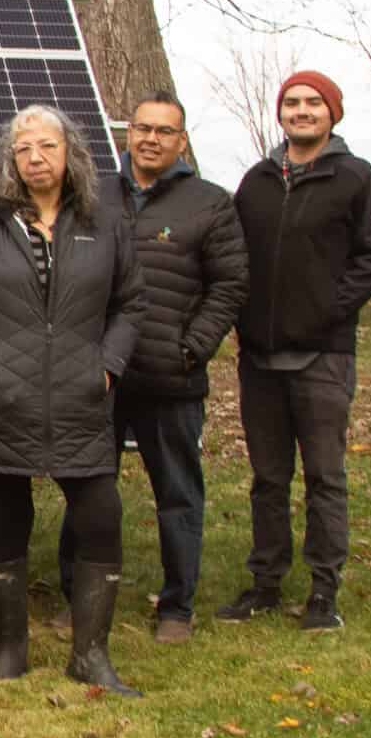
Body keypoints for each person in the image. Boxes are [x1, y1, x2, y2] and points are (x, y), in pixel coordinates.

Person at [0, 106, 145, 694]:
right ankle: (10, 653)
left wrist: (107, 367)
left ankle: (90, 655)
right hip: (0, 400)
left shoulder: (103, 220)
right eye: (23, 148)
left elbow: (130, 304)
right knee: (9, 521)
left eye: (47, 146)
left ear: (70, 152)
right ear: (11, 159)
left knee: (101, 517)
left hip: (81, 397)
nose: (35, 157)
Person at [67, 92, 247, 643]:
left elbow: (230, 285)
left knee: (177, 495)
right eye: (143, 128)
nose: (151, 139)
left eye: (164, 131)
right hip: (99, 377)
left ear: (182, 141)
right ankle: (79, 597)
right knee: (88, 492)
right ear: (128, 133)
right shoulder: (93, 195)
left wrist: (191, 348)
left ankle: (177, 607)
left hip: (170, 377)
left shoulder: (209, 203)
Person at [222, 70, 371, 632]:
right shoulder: (257, 181)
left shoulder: (355, 177)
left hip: (323, 355)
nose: (301, 111)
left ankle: (323, 590)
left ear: (331, 113)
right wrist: (245, 319)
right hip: (260, 358)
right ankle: (266, 582)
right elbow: (234, 257)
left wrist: (324, 311)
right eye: (292, 102)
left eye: (313, 103)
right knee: (268, 478)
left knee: (324, 476)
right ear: (281, 113)